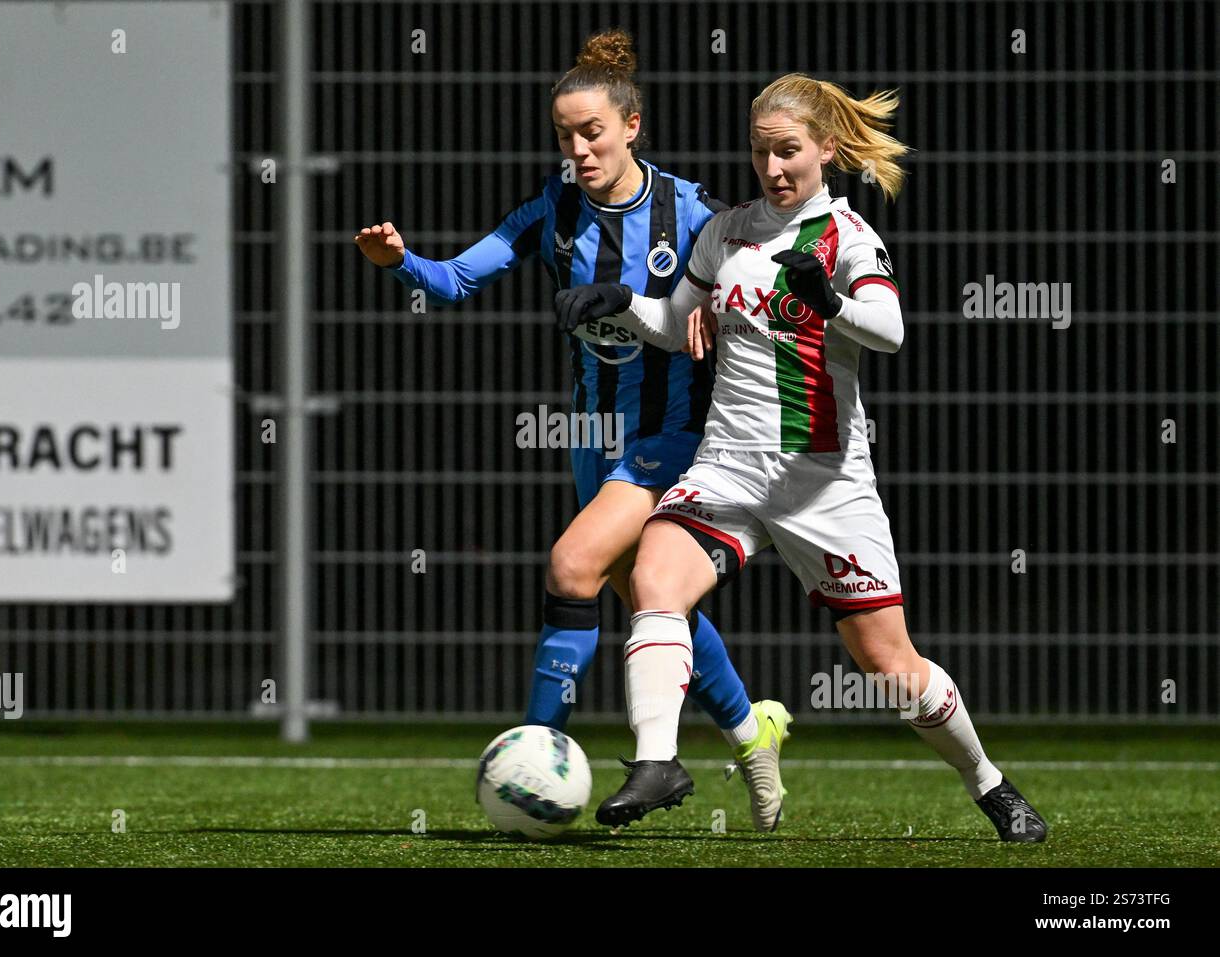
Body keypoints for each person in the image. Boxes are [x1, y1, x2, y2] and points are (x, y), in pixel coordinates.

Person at [554, 72, 1048, 841]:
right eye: (761, 153)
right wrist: (621, 304)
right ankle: (659, 760)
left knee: (891, 668)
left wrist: (832, 302)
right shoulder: (728, 232)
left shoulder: (846, 236)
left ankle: (989, 782)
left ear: (825, 149)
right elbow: (678, 320)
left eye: (787, 152)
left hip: (823, 482)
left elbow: (890, 331)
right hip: (729, 465)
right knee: (654, 574)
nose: (773, 168)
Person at [355, 31, 791, 831]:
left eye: (593, 131)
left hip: (673, 435)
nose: (579, 148)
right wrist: (401, 262)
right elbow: (455, 279)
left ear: (632, 126)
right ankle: (749, 731)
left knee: (571, 564)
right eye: (565, 134)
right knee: (655, 600)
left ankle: (538, 752)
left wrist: (722, 314)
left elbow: (756, 271)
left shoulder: (690, 212)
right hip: (592, 439)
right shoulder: (550, 211)